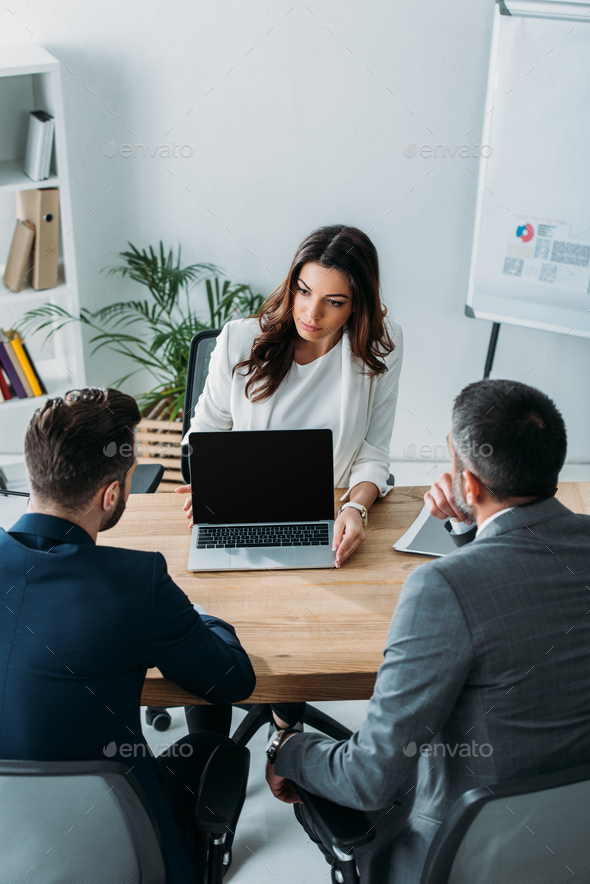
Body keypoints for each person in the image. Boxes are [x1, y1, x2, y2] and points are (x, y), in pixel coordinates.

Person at [266, 379, 590, 884]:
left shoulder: (440, 587)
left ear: (471, 484)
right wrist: (468, 529)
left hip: (464, 858)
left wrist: (288, 751)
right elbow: (519, 599)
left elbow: (367, 780)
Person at [0, 388, 256, 884]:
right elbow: (233, 682)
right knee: (205, 750)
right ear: (112, 495)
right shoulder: (136, 582)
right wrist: (203, 616)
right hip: (124, 851)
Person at [175, 223, 403, 736]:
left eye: (334, 302)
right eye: (303, 291)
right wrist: (211, 485)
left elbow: (374, 451)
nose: (311, 313)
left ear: (359, 306)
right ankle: (209, 755)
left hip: (324, 515)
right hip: (238, 511)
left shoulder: (380, 347)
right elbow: (205, 431)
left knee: (303, 626)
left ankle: (285, 729)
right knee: (207, 629)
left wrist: (356, 508)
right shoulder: (240, 337)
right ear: (291, 282)